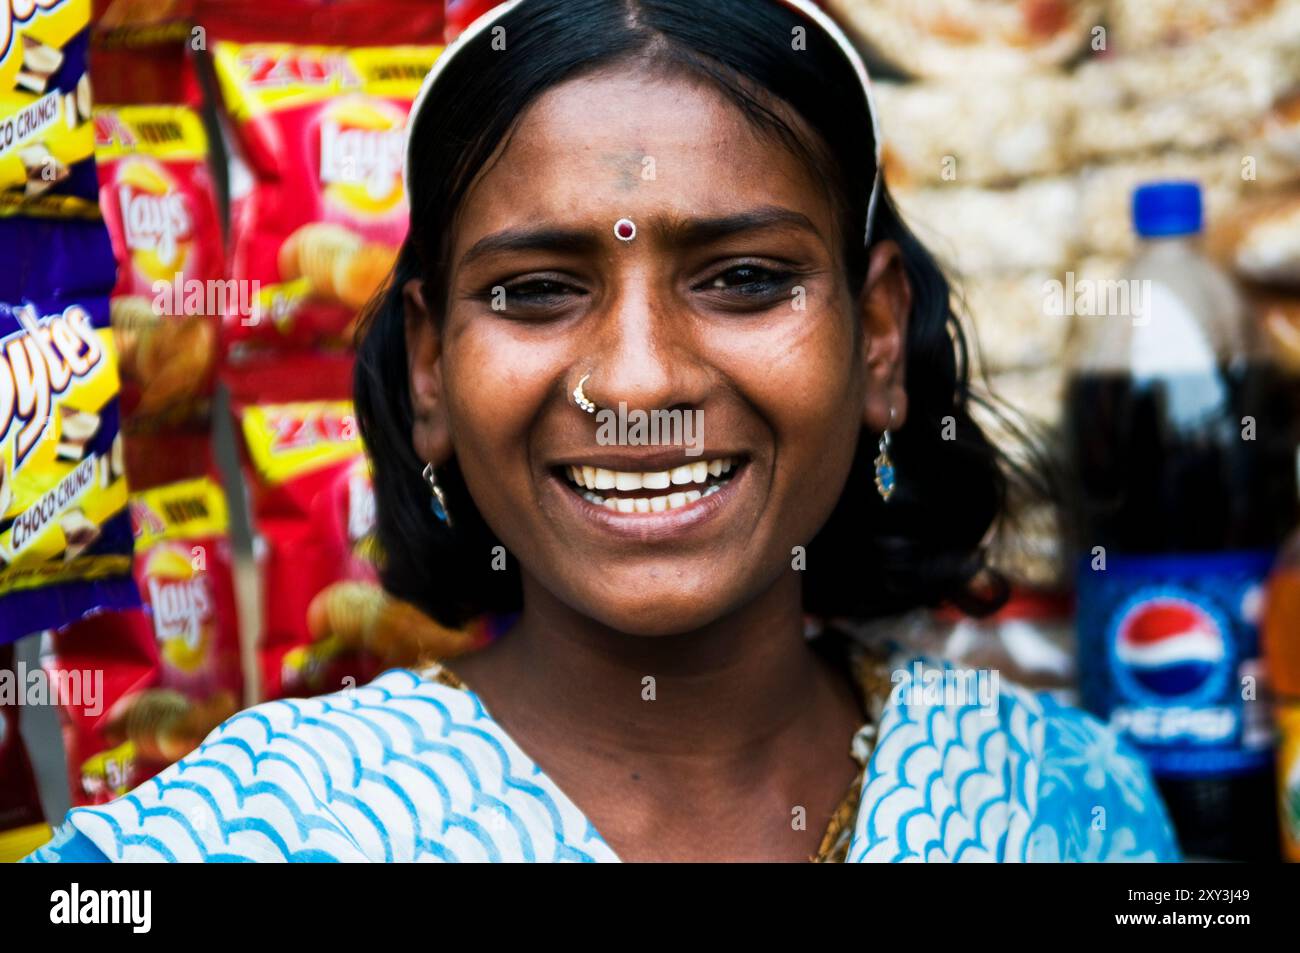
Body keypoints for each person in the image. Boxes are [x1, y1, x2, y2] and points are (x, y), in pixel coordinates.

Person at [27, 0, 1178, 863]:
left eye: (742, 277)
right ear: (430, 368)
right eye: (535, 291)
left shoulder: (1067, 799)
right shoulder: (231, 837)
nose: (635, 380)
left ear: (876, 338)